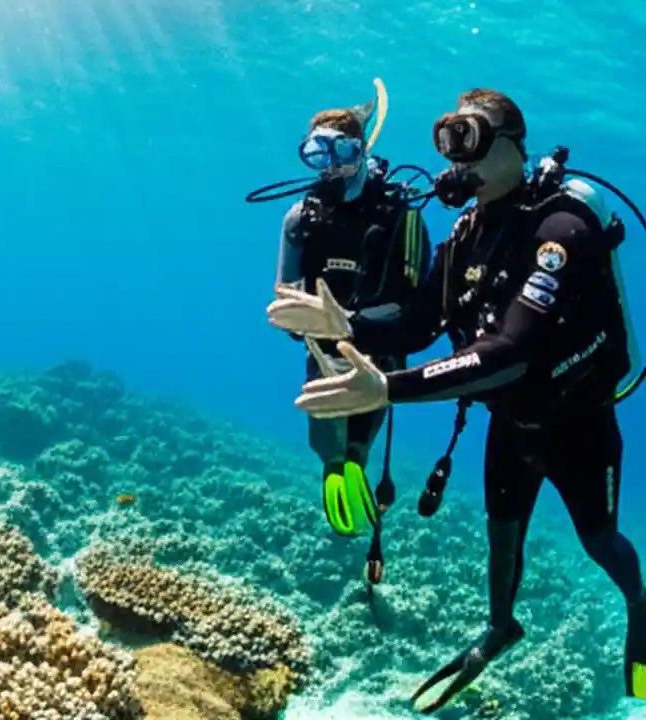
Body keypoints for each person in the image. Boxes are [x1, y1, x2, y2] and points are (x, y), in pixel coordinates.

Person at [266, 87, 646, 713]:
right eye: (447, 140)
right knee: (502, 539)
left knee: (600, 542)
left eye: (468, 139)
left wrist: (387, 387)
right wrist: (345, 325)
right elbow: (418, 325)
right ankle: (501, 629)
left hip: (577, 424)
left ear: (513, 147)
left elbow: (509, 351)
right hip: (509, 421)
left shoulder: (561, 228)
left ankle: (640, 603)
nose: (454, 158)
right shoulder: (467, 233)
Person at [268, 92, 432, 558]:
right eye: (319, 153)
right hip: (322, 350)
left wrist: (352, 325)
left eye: (343, 152)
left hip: (381, 348)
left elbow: (419, 310)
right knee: (326, 444)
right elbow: (286, 295)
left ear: (362, 152)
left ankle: (356, 461)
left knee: (358, 440)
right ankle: (338, 471)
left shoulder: (401, 212)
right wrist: (304, 325)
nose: (331, 166)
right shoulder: (301, 217)